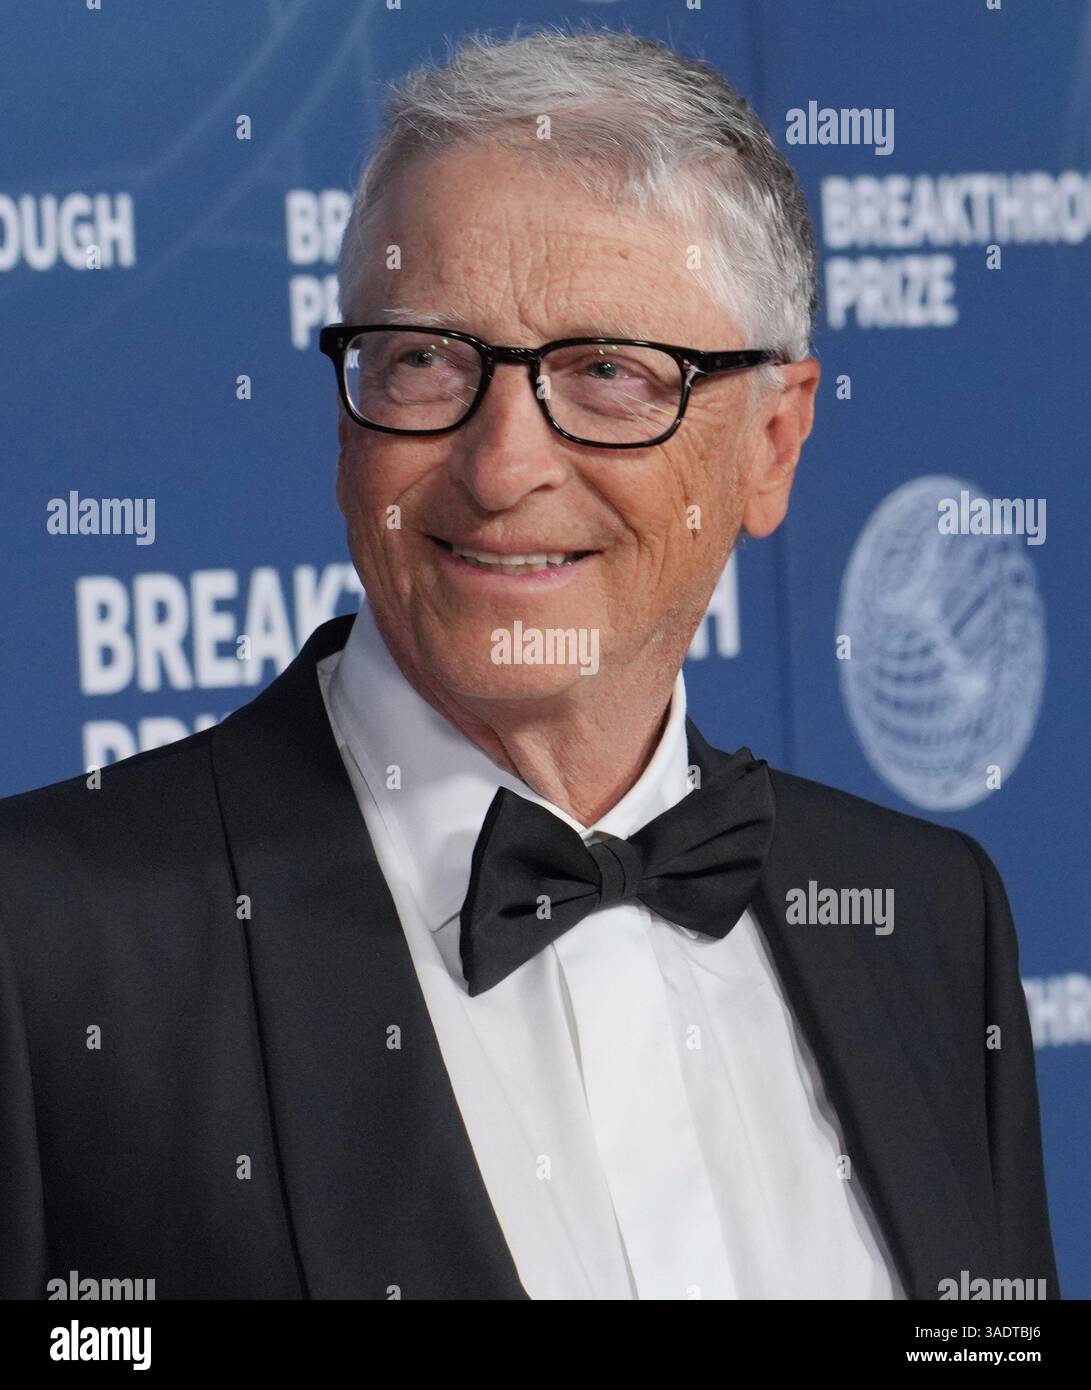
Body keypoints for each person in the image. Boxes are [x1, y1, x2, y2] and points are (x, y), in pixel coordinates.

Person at [0, 28, 1058, 1300]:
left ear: (770, 444)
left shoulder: (927, 917)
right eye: (427, 361)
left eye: (607, 373)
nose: (501, 469)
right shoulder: (47, 944)